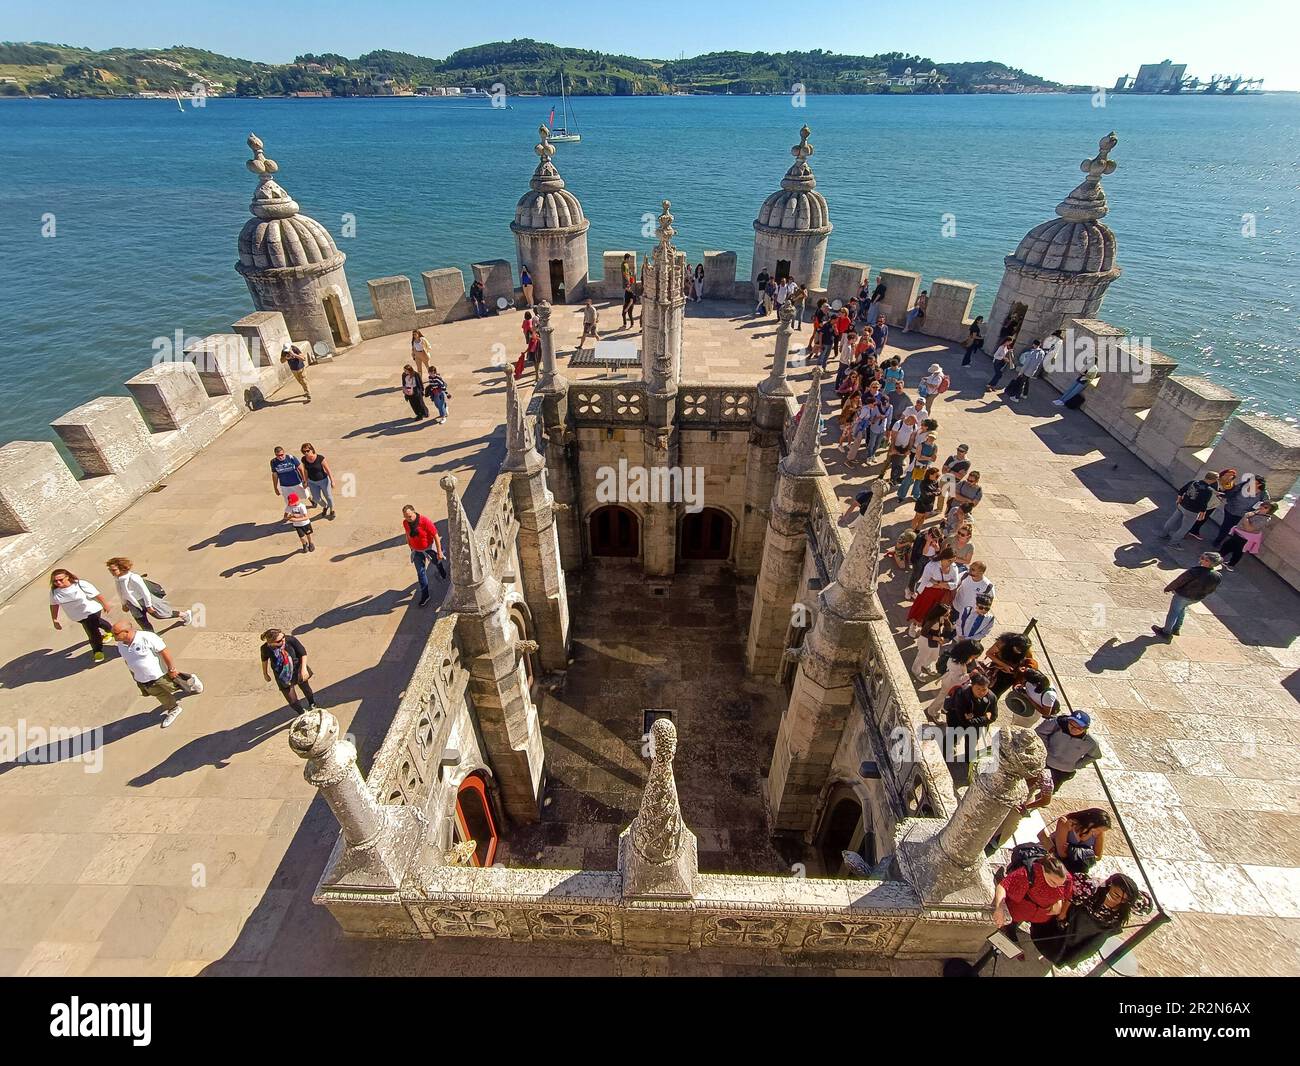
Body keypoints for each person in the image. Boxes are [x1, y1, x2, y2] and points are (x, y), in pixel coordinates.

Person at [1031, 872, 1148, 968]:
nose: (1118, 901)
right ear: (1108, 886)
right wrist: (1063, 914)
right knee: (1057, 942)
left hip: (1096, 932)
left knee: (1078, 952)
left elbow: (1145, 906)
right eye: (1115, 895)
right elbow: (1071, 896)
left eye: (1123, 900)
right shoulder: (1092, 888)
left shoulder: (1127, 904)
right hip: (1079, 921)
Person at [112, 619, 188, 727]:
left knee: (174, 687)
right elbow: (127, 660)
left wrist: (172, 669)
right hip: (143, 678)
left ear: (126, 632)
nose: (113, 636)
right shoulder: (121, 645)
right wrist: (134, 675)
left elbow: (164, 651)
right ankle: (174, 709)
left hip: (159, 674)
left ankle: (190, 680)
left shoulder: (147, 637)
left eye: (115, 633)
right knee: (159, 694)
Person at [993, 851, 1073, 939]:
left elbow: (1068, 896)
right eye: (1053, 882)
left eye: (1059, 885)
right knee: (1007, 930)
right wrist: (999, 907)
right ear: (1044, 871)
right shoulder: (1029, 873)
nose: (1056, 887)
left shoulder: (1066, 879)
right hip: (1018, 910)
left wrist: (1060, 903)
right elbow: (1003, 886)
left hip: (1040, 916)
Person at [105, 557, 192, 631]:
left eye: (113, 570)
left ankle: (184, 614)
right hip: (132, 603)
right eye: (110, 570)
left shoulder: (134, 578)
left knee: (161, 615)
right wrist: (124, 604)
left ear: (122, 568)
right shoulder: (117, 579)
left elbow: (145, 592)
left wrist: (149, 605)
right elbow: (121, 592)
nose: (111, 572)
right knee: (142, 622)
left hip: (144, 600)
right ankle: (152, 639)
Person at [49, 569, 114, 663]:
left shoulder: (80, 584)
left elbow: (96, 594)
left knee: (92, 631)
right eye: (55, 581)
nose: (58, 582)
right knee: (96, 624)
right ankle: (111, 630)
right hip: (77, 616)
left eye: (61, 579)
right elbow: (54, 605)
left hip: (91, 610)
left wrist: (105, 604)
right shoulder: (54, 592)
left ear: (67, 577)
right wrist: (54, 619)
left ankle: (97, 651)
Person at [1152, 551, 1223, 639]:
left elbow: (1180, 581)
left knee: (1173, 612)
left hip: (1183, 595)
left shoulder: (1195, 571)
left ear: (1210, 563)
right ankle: (1176, 628)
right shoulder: (1218, 576)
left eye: (1204, 559)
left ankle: (1166, 632)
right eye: (1202, 556)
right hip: (1196, 598)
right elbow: (1211, 589)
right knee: (1181, 609)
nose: (1201, 559)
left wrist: (1169, 588)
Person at [944, 670, 999, 774]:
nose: (981, 692)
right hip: (957, 722)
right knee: (951, 739)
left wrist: (974, 719)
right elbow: (964, 721)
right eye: (978, 689)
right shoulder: (962, 694)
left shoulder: (992, 697)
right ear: (972, 686)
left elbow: (994, 716)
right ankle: (944, 755)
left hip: (975, 728)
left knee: (971, 745)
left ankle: (968, 761)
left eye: (984, 689)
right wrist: (985, 718)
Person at [1036, 709, 1101, 789]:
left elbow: (1095, 756)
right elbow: (1039, 732)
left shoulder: (1090, 742)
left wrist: (1078, 765)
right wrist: (1044, 749)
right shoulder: (1057, 726)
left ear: (1085, 728)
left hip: (1063, 771)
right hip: (1045, 763)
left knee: (1048, 791)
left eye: (1078, 728)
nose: (1073, 729)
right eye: (1071, 725)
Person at [260, 629, 319, 713]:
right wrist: (265, 673)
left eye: (283, 636)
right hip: (282, 674)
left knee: (306, 689)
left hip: (297, 668)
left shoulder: (290, 640)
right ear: (271, 643)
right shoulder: (265, 648)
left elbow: (303, 653)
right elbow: (264, 660)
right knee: (292, 699)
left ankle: (312, 703)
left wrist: (303, 669)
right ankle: (302, 712)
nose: (283, 640)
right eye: (279, 640)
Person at [926, 637, 984, 722]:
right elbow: (957, 679)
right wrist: (970, 675)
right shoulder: (956, 663)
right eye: (975, 655)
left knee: (944, 697)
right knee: (942, 698)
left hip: (951, 681)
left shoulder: (958, 656)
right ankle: (932, 711)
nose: (975, 657)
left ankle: (941, 707)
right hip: (950, 683)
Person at [1156, 471, 1220, 546]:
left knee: (1172, 520)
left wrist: (1179, 499)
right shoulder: (1208, 491)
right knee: (1185, 528)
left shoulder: (1194, 482)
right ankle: (1173, 543)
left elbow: (1182, 490)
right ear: (1213, 480)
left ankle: (1163, 534)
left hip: (1182, 505)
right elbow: (1203, 503)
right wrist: (1203, 514)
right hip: (1192, 511)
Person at [1041, 809, 1111, 874]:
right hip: (1055, 860)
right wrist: (1086, 855)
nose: (1098, 833)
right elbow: (1062, 854)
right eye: (1098, 830)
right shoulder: (1066, 823)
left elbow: (1098, 856)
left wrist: (1072, 850)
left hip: (1078, 867)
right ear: (1091, 823)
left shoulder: (1099, 833)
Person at [402, 503, 446, 607]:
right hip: (417, 551)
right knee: (421, 573)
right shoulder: (405, 523)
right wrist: (410, 546)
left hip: (428, 548)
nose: (408, 518)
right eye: (406, 516)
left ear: (414, 512)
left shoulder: (425, 521)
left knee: (436, 562)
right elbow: (407, 534)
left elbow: (435, 535)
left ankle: (441, 568)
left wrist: (439, 552)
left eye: (410, 516)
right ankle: (425, 595)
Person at [1214, 472, 1270, 549]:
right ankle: (1218, 541)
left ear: (1259, 484)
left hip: (1244, 515)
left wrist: (1256, 512)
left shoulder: (1263, 493)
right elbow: (1231, 492)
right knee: (1225, 527)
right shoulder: (1242, 485)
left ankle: (1230, 546)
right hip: (1231, 509)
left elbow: (1266, 504)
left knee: (1238, 531)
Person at [908, 546, 961, 625]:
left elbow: (955, 584)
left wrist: (938, 583)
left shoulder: (954, 567)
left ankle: (925, 628)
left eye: (953, 561)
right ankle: (913, 626)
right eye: (949, 560)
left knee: (933, 613)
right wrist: (945, 585)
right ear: (943, 557)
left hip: (942, 596)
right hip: (928, 593)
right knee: (922, 610)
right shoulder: (931, 565)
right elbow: (925, 581)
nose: (951, 563)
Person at [1218, 501, 1278, 570]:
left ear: (1270, 511)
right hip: (1238, 533)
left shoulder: (1264, 519)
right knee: (1228, 546)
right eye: (1262, 505)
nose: (1261, 507)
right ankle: (1219, 559)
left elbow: (1249, 528)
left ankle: (1229, 564)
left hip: (1244, 538)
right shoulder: (1257, 512)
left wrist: (1246, 517)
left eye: (1265, 507)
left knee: (1236, 551)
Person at [982, 631, 1035, 696]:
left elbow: (1029, 661)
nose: (1019, 652)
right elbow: (989, 653)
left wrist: (1020, 669)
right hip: (996, 670)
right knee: (985, 688)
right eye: (1017, 649)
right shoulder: (1003, 643)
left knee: (996, 693)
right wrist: (1004, 665)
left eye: (1021, 651)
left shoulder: (1025, 649)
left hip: (1010, 675)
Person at [913, 602, 954, 679]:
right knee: (922, 657)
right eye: (947, 614)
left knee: (934, 656)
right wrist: (937, 638)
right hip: (926, 641)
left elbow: (949, 627)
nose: (948, 615)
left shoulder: (942, 618)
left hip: (934, 641)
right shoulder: (932, 621)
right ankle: (916, 671)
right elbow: (923, 632)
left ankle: (926, 665)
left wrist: (946, 619)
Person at [300, 443, 336, 519]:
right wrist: (305, 481)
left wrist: (332, 480)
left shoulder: (320, 458)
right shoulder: (304, 459)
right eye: (304, 452)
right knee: (316, 498)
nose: (306, 453)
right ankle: (325, 506)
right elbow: (305, 470)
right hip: (312, 482)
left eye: (307, 451)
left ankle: (332, 510)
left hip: (323, 480)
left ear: (312, 449)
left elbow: (327, 470)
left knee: (328, 496)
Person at [910, 467, 943, 532]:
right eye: (936, 475)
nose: (938, 476)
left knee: (923, 517)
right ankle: (912, 531)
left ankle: (918, 530)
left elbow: (939, 491)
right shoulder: (923, 483)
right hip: (922, 503)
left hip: (930, 503)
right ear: (930, 474)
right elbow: (926, 494)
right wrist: (936, 493)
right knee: (917, 517)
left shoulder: (935, 481)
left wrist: (936, 492)